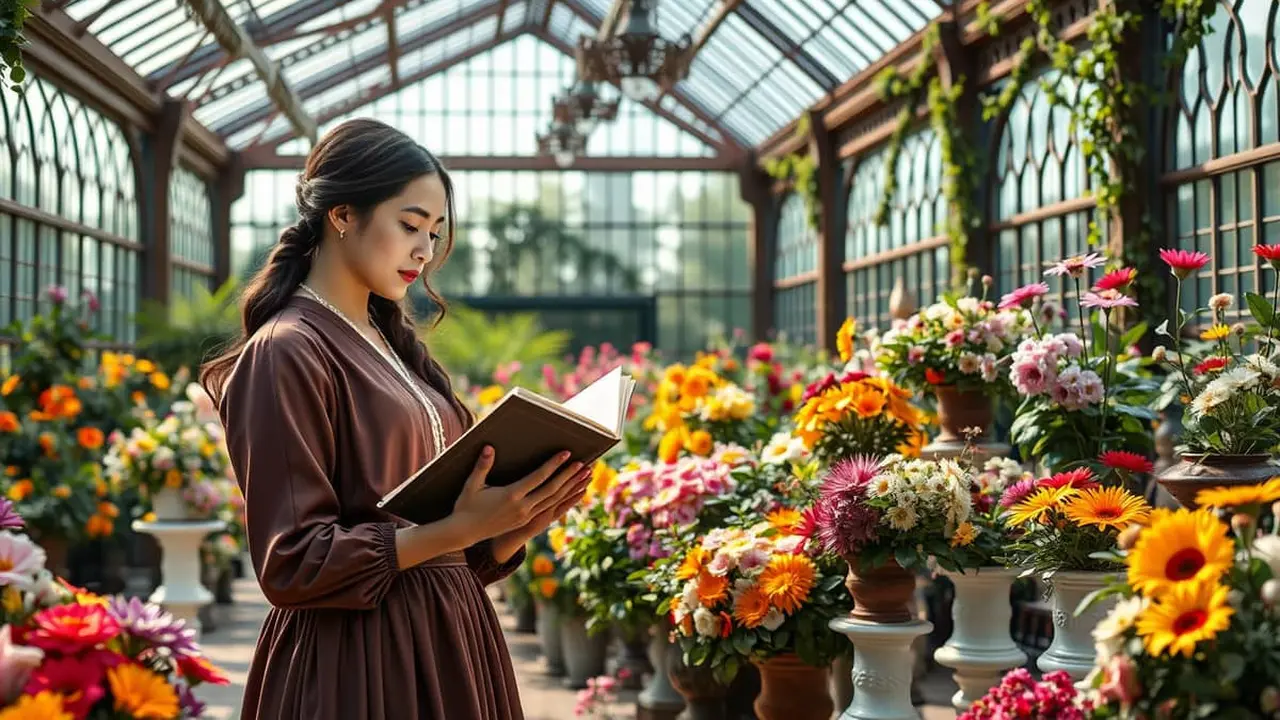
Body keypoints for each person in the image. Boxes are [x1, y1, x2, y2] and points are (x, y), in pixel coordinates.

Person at [201, 118, 591, 719]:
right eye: (410, 225)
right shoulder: (288, 349)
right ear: (342, 214)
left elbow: (438, 551)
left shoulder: (389, 343)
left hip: (449, 642)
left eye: (434, 233)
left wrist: (516, 521)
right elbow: (293, 564)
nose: (424, 250)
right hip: (355, 666)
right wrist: (457, 531)